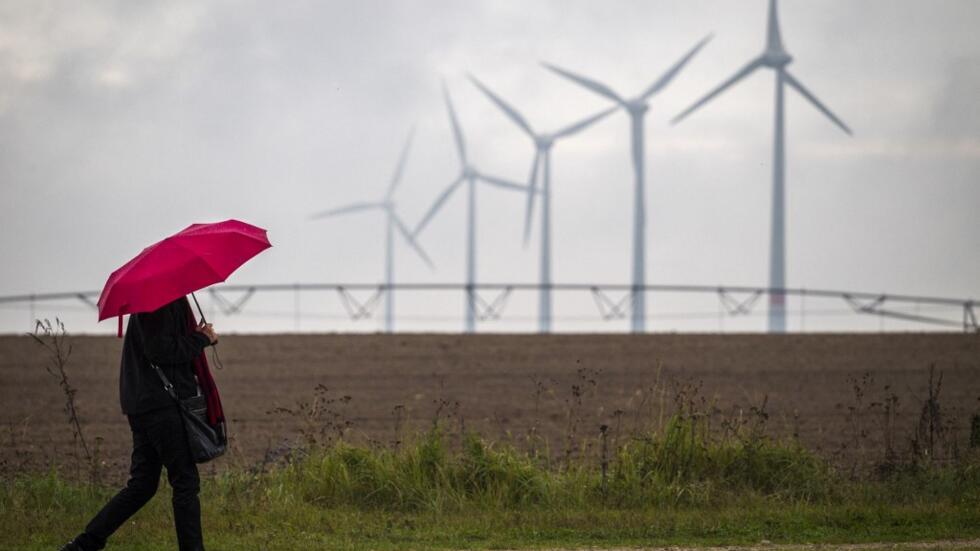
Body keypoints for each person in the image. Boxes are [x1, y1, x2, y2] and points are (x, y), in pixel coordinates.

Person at [60, 296, 219, 551]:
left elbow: (162, 345)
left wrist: (197, 336)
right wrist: (202, 339)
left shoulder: (151, 301)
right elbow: (160, 350)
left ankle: (83, 545)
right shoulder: (162, 303)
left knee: (143, 485)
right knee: (185, 482)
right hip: (161, 407)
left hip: (145, 404)